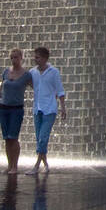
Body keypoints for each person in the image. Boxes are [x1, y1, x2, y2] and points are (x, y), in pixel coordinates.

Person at [0, 48, 34, 174]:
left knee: (14, 137)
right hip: (4, 108)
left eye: (16, 57)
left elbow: (36, 88)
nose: (13, 60)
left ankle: (15, 166)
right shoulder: (6, 72)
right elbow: (1, 90)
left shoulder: (27, 75)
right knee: (7, 138)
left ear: (21, 58)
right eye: (11, 58)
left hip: (16, 109)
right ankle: (9, 165)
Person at [27, 46, 67, 176]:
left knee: (43, 138)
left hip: (50, 109)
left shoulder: (53, 72)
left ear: (45, 58)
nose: (35, 59)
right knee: (39, 138)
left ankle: (36, 166)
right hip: (37, 109)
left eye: (37, 57)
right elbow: (29, 83)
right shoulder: (32, 72)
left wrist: (63, 107)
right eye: (35, 56)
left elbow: (60, 90)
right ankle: (46, 164)